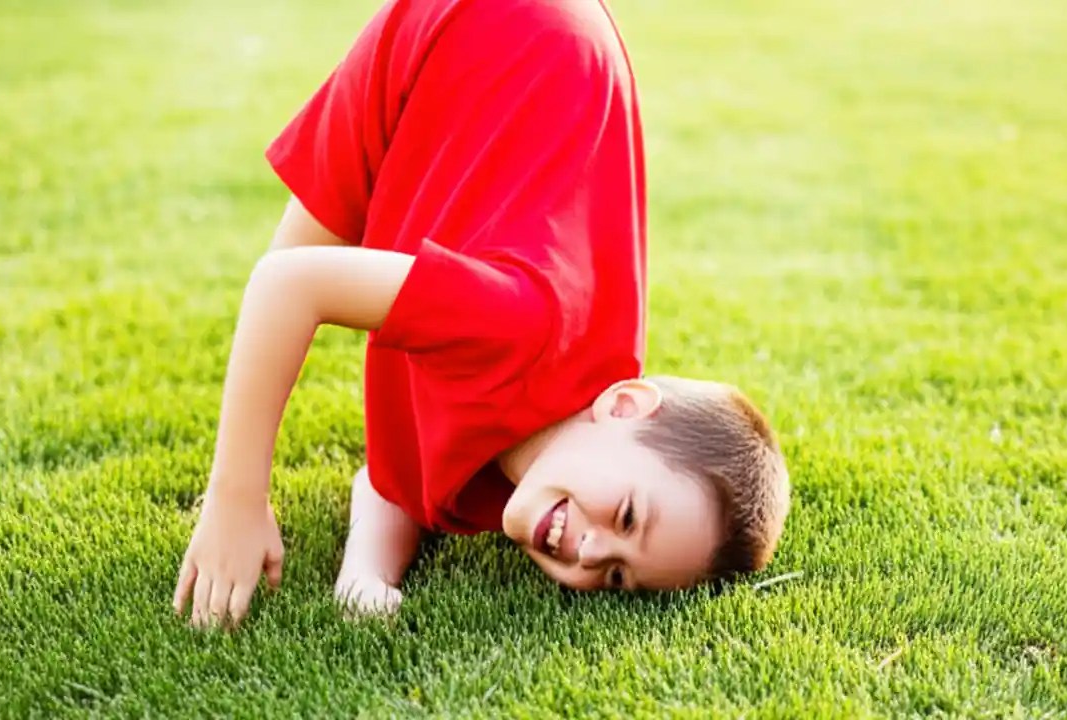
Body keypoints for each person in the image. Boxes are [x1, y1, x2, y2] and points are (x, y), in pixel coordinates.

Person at [171, 0, 790, 629]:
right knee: (299, 256)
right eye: (628, 517)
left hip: (531, 89)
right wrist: (236, 500)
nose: (590, 552)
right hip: (487, 25)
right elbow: (288, 285)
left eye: (617, 577)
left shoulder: (547, 462)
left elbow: (397, 482)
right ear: (624, 406)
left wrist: (365, 576)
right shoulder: (514, 326)